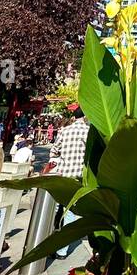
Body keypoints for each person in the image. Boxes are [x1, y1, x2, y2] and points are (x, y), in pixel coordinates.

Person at [51, 106, 91, 257]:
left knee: (56, 209)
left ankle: (49, 242)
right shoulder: (88, 132)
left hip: (62, 174)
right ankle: (61, 250)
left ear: (74, 117)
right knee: (70, 212)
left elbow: (54, 150)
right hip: (78, 177)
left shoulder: (64, 131)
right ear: (85, 117)